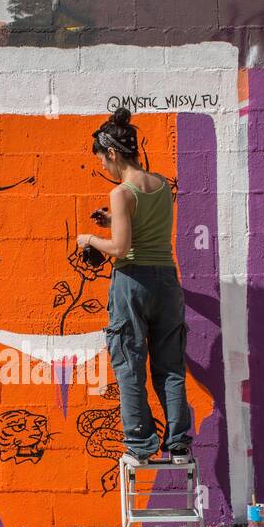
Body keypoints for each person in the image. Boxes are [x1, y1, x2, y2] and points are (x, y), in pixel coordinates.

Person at [77, 107, 193, 468]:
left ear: (112, 153)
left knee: (129, 364)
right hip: (167, 282)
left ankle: (141, 445)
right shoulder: (161, 185)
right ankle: (177, 445)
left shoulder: (121, 193)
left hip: (132, 283)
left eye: (103, 162)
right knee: (169, 366)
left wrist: (92, 238)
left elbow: (122, 249)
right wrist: (116, 220)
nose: (104, 169)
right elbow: (148, 230)